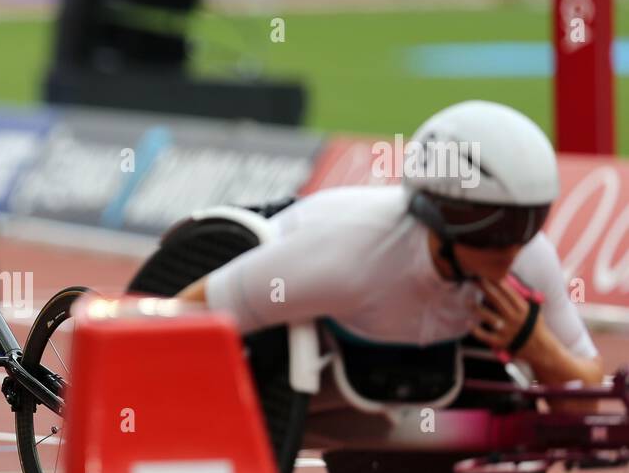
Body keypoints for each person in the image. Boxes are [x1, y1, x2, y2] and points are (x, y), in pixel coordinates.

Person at [177, 100, 603, 397]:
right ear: (436, 212)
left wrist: (536, 344)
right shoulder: (346, 254)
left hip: (404, 362)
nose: (511, 244)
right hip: (276, 273)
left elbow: (587, 389)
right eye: (490, 224)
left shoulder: (531, 257)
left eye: (528, 222)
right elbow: (187, 314)